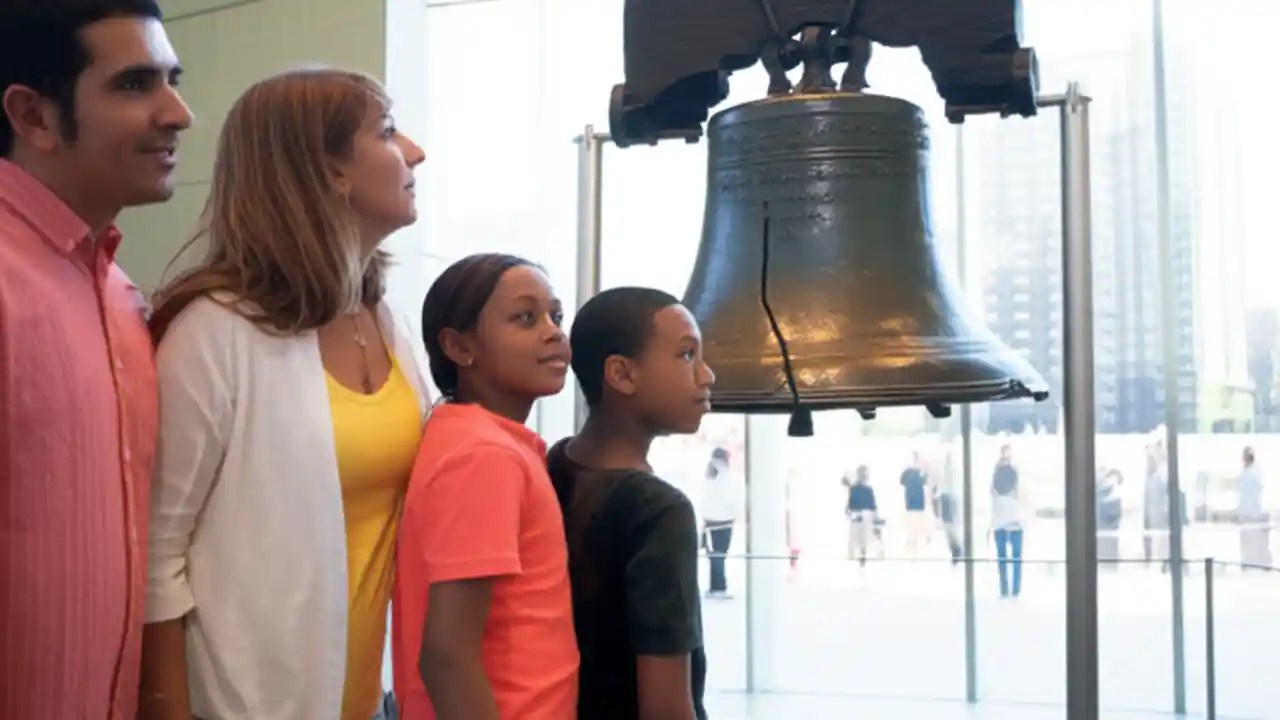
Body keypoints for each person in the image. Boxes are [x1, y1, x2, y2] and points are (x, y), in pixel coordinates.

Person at [139, 68, 428, 720]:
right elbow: (157, 557)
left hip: (367, 698)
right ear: (331, 173)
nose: (415, 151)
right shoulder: (213, 330)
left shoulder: (384, 320)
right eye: (386, 132)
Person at [0, 2, 191, 717]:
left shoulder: (119, 296)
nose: (179, 113)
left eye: (173, 79)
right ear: (34, 116)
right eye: (135, 85)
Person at [396, 253, 579, 720]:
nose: (554, 331)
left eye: (555, 315)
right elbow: (447, 657)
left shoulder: (487, 442)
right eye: (525, 318)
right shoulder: (484, 456)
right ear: (459, 347)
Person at [547, 286, 715, 720]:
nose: (707, 375)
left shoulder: (552, 464)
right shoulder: (659, 511)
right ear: (621, 374)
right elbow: (665, 707)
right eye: (686, 355)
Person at [701, 446, 741, 597]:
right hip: (725, 521)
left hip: (709, 522)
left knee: (714, 556)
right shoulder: (726, 477)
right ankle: (719, 588)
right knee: (719, 556)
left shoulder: (708, 474)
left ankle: (715, 587)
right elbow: (733, 501)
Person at [991, 445, 1024, 597]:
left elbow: (992, 492)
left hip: (1004, 518)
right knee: (1012, 557)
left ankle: (1007, 588)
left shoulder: (998, 473)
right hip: (1011, 518)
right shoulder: (1008, 472)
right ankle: (1012, 589)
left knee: (1004, 557)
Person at [844, 465, 878, 566]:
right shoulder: (868, 489)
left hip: (856, 513)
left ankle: (851, 554)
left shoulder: (854, 488)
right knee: (863, 535)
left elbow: (850, 503)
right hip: (866, 514)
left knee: (854, 534)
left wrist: (848, 511)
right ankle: (862, 553)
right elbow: (872, 505)